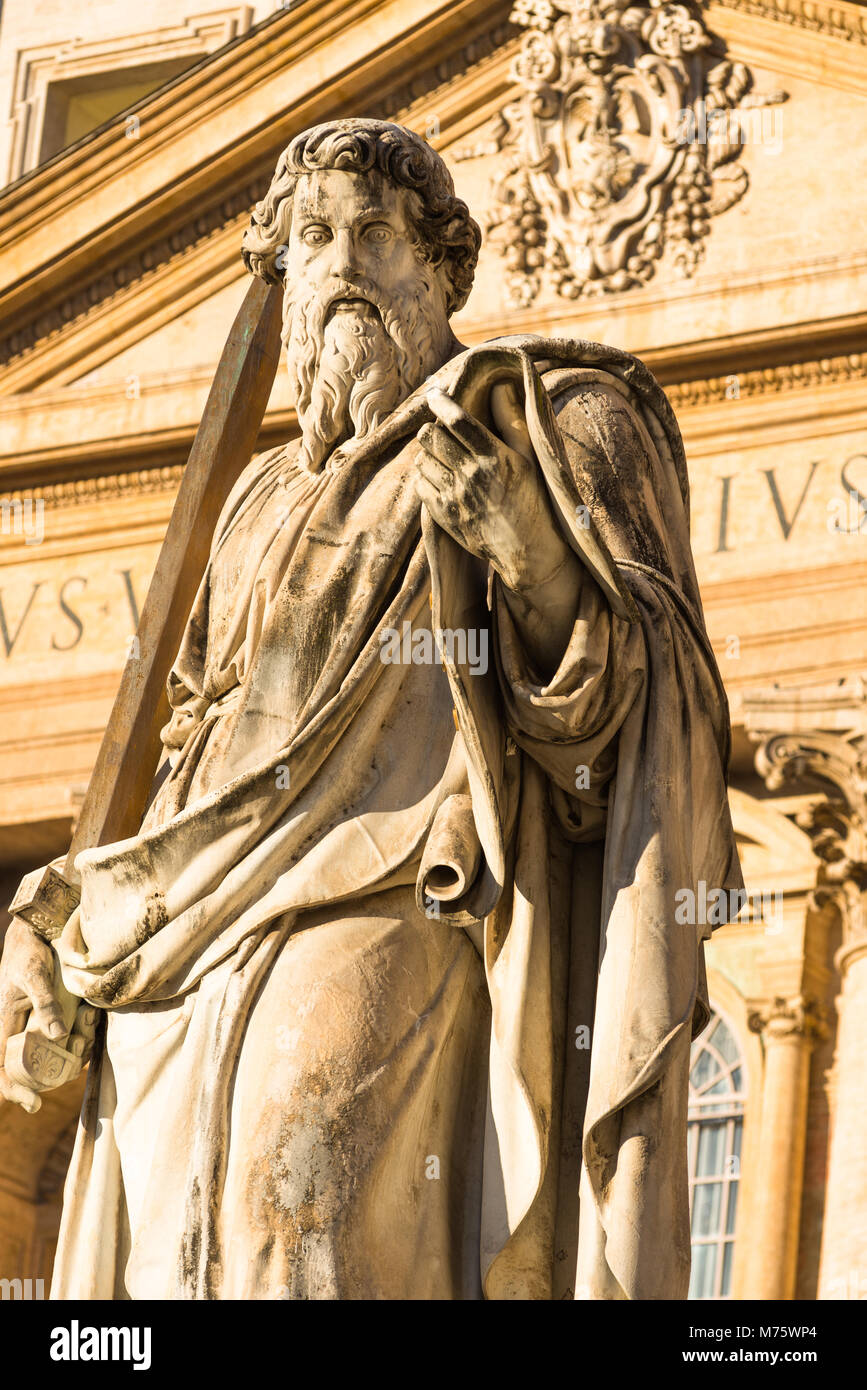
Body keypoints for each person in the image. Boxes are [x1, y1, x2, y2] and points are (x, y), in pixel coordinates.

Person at [0, 119, 740, 1300]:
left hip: (392, 875)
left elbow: (639, 726)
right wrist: (54, 916)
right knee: (163, 1248)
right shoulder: (255, 499)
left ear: (442, 266)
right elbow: (188, 749)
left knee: (301, 1196)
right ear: (283, 279)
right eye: (313, 237)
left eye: (377, 232)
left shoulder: (537, 422)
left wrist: (532, 559)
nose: (343, 259)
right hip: (192, 927)